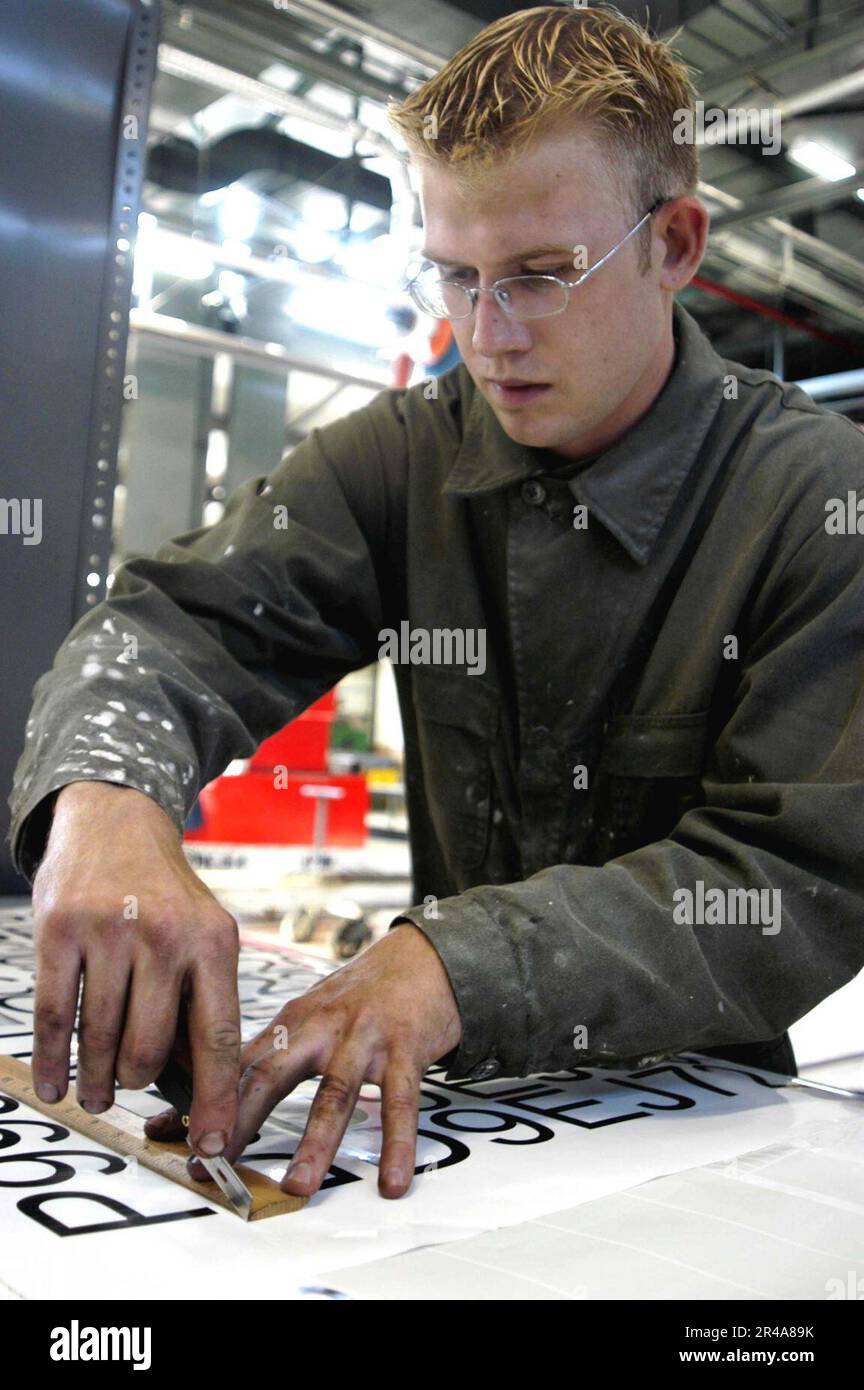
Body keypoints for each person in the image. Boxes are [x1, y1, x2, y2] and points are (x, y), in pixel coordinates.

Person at [9, 5, 864, 1202]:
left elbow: (792, 873)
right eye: (454, 275)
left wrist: (460, 966)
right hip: (442, 1134)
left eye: (540, 276)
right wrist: (102, 793)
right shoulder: (400, 459)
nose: (485, 333)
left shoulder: (819, 499)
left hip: (707, 1147)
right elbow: (175, 628)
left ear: (675, 244)